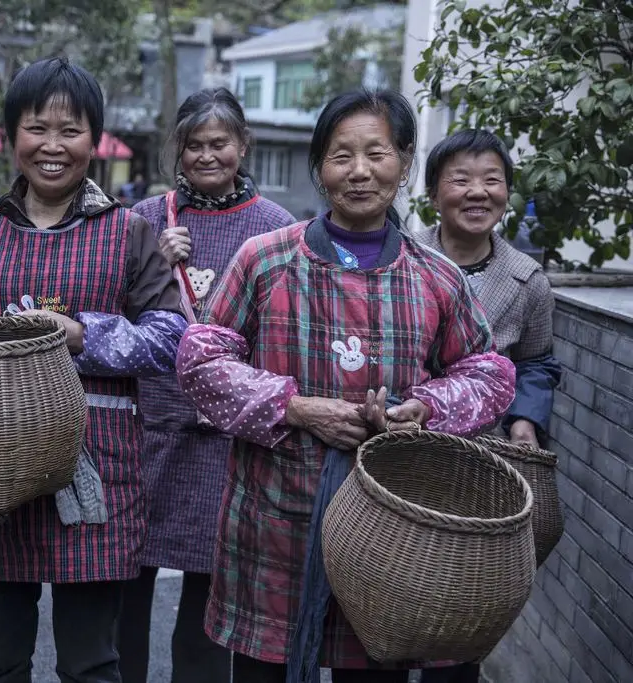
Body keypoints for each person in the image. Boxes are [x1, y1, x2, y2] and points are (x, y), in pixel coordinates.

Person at [173, 89, 517, 683]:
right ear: (320, 167)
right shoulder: (266, 259)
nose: (359, 172)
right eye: (341, 156)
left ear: (406, 163)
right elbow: (202, 358)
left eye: (377, 153)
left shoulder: (435, 276)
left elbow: (488, 370)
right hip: (275, 524)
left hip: (390, 539)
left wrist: (426, 409)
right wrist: (295, 406)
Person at [0, 56, 187, 683]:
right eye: (36, 128)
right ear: (10, 136)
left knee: (90, 661)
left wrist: (84, 335)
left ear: (95, 140)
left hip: (99, 470)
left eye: (70, 130)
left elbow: (172, 339)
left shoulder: (129, 233)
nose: (53, 146)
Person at [118, 87, 293, 683]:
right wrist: (155, 263)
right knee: (126, 583)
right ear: (179, 151)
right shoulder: (145, 219)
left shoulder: (274, 229)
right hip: (150, 431)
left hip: (225, 439)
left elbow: (280, 331)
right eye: (194, 145)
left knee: (209, 594)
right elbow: (113, 315)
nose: (207, 155)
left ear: (242, 146)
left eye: (220, 143)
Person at [414, 130, 561, 683]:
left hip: (482, 471)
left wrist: (526, 421)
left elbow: (538, 362)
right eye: (460, 179)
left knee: (458, 626)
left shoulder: (528, 282)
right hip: (399, 456)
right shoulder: (402, 257)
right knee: (383, 603)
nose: (478, 192)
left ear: (507, 193)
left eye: (492, 180)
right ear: (433, 194)